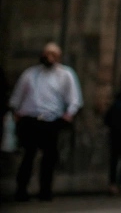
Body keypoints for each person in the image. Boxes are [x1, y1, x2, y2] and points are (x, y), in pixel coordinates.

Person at [9, 41, 83, 202]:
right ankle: (21, 190)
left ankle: (45, 190)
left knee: (49, 158)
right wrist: (17, 113)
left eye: (53, 55)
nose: (49, 58)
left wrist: (68, 115)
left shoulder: (65, 75)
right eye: (46, 54)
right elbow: (17, 97)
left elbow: (74, 99)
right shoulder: (30, 74)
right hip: (30, 119)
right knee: (28, 155)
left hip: (51, 120)